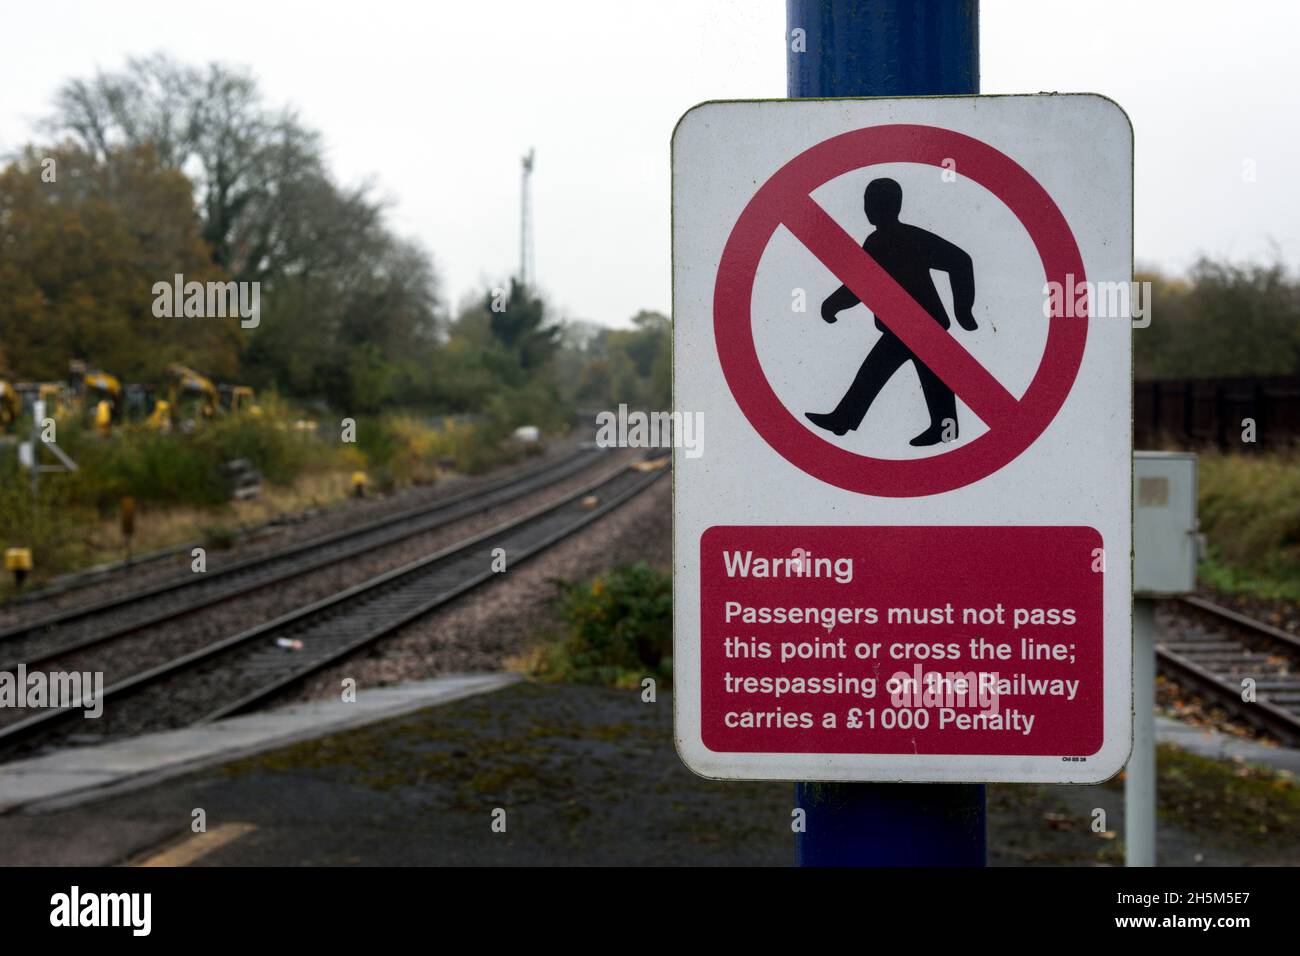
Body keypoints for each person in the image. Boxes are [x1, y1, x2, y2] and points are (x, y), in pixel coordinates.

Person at [805, 177, 978, 447]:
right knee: (907, 375)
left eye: (870, 203)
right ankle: (944, 428)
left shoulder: (881, 241)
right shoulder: (902, 237)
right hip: (911, 325)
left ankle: (844, 419)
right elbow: (862, 283)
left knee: (878, 373)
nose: (867, 209)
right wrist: (962, 313)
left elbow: (860, 285)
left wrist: (964, 311)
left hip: (915, 326)